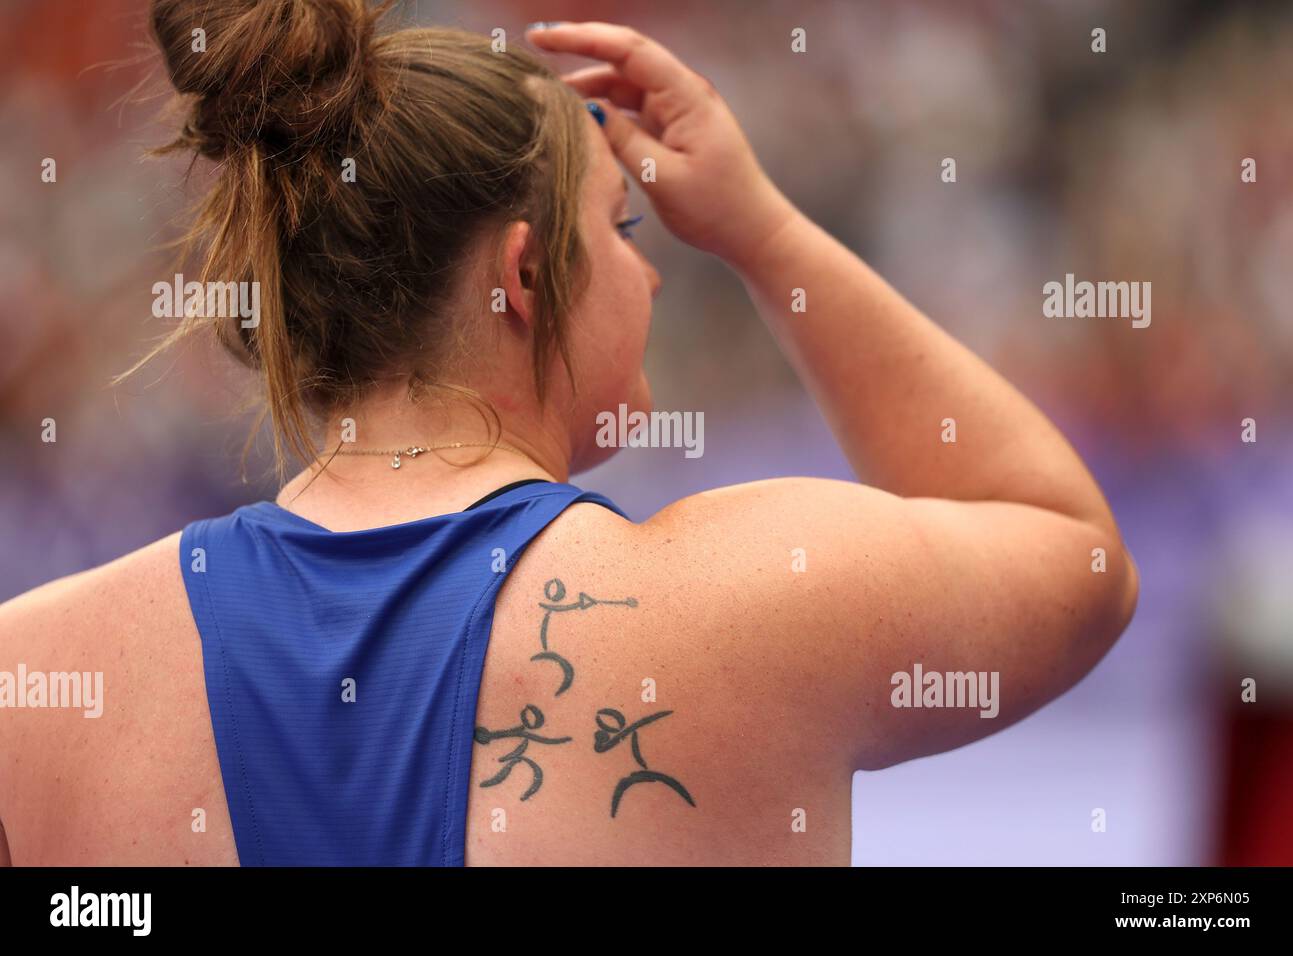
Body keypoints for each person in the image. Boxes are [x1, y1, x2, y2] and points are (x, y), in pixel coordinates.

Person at [0, 4, 1138, 866]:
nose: (646, 272)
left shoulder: (40, 672)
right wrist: (764, 235)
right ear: (528, 272)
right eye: (624, 226)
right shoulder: (750, 603)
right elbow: (1074, 551)